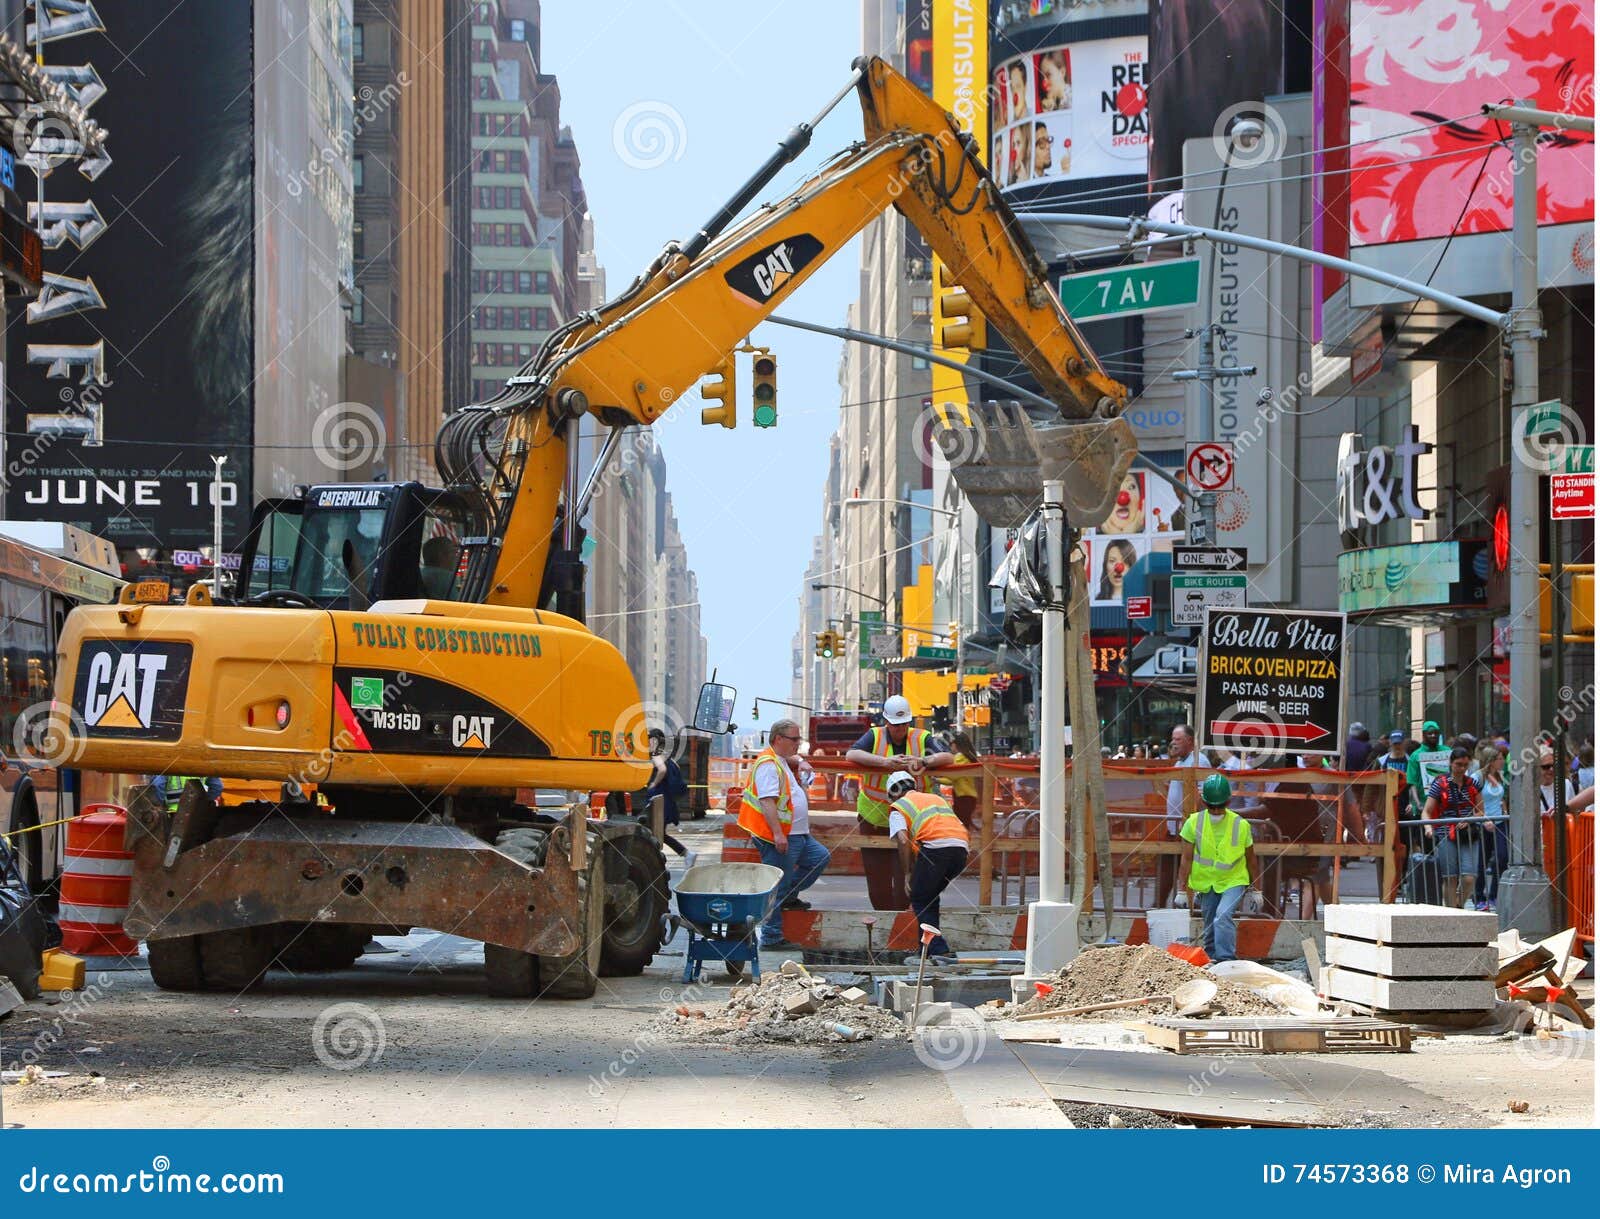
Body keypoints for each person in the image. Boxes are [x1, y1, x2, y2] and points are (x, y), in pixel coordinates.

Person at [846, 695, 952, 909]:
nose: (900, 729)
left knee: (906, 877)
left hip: (910, 821)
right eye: (895, 725)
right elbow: (852, 754)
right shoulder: (874, 736)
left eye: (904, 724)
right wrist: (884, 762)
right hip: (874, 820)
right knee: (877, 883)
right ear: (886, 722)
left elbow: (948, 757)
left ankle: (901, 921)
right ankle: (885, 921)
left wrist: (923, 760)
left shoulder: (922, 738)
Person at [736, 719, 830, 950]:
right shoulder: (768, 765)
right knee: (776, 886)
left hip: (798, 833)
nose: (799, 743)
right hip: (779, 836)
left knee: (820, 858)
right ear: (778, 739)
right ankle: (771, 937)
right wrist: (778, 835)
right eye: (794, 739)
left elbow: (791, 758)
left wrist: (802, 761)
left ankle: (789, 896)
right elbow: (767, 801)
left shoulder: (779, 759)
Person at [886, 771, 970, 960]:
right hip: (961, 849)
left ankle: (937, 949)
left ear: (892, 794)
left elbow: (903, 840)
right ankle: (926, 950)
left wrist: (907, 873)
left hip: (936, 848)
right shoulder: (935, 798)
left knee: (920, 897)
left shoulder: (898, 807)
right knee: (929, 897)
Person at [1177, 774, 1259, 963]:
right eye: (1211, 806)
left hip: (1234, 880)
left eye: (1218, 806)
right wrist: (1182, 889)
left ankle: (1226, 960)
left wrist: (1257, 889)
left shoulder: (1240, 824)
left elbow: (1251, 860)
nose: (1215, 811)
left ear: (1228, 802)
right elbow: (1186, 859)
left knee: (1222, 916)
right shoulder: (1193, 822)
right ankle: (1211, 957)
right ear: (1204, 802)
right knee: (1210, 922)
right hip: (1207, 882)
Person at [1422, 745, 1483, 909]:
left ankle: (1458, 906)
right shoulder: (1440, 784)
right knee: (1450, 877)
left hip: (1469, 834)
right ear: (1450, 763)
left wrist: (1469, 819)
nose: (1462, 769)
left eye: (1465, 765)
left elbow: (1480, 812)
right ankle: (1450, 911)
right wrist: (1428, 828)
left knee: (1469, 877)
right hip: (1445, 833)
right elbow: (1426, 811)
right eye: (1458, 764)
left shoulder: (1473, 784)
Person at [1158, 723, 1200, 907]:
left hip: (1186, 828)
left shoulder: (1198, 761)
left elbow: (1201, 795)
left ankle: (1187, 905)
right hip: (1174, 827)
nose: (1173, 743)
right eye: (1173, 739)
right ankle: (1160, 904)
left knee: (1184, 868)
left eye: (1178, 739)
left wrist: (1189, 821)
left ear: (1189, 741)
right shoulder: (1180, 762)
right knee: (1167, 867)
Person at [642, 728, 689, 860]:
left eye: (649, 740)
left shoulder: (656, 756)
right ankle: (684, 854)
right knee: (658, 833)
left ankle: (685, 854)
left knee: (653, 832)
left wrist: (654, 784)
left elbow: (662, 770)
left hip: (658, 802)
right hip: (667, 801)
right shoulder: (669, 757)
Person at [1475, 744, 1508, 911]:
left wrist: (1505, 809)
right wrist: (1483, 819)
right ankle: (1479, 896)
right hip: (1483, 823)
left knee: (1502, 857)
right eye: (1500, 758)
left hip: (1500, 822)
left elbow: (1500, 797)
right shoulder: (1477, 777)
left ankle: (1495, 894)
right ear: (1491, 761)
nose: (1503, 761)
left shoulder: (1500, 776)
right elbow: (1472, 800)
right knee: (1482, 860)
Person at [1405, 720, 1449, 816]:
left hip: (1446, 803)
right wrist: (1417, 803)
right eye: (1430, 733)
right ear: (1424, 734)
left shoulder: (1447, 751)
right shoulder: (1415, 755)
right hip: (1424, 803)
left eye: (1436, 733)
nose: (1433, 735)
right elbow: (1412, 782)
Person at [946, 729, 981, 830]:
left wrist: (937, 776)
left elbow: (953, 776)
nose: (950, 746)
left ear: (956, 744)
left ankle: (965, 844)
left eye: (951, 743)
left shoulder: (959, 757)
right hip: (969, 797)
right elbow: (955, 779)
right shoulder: (969, 758)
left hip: (962, 797)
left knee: (961, 825)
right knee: (965, 823)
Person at [1096, 538, 1138, 603]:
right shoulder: (1097, 600)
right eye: (1112, 561)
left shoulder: (1140, 598)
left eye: (1125, 561)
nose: (1118, 568)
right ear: (1105, 565)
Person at [1537, 750, 1578, 815]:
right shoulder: (1531, 790)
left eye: (1553, 765)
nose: (1551, 769)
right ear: (1537, 768)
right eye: (1546, 767)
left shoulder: (1566, 784)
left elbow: (1573, 813)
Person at [155, 773, 223, 810]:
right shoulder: (204, 764)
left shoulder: (169, 762)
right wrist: (204, 802)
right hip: (198, 811)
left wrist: (159, 804)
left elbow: (158, 784)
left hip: (174, 811)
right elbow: (217, 787)